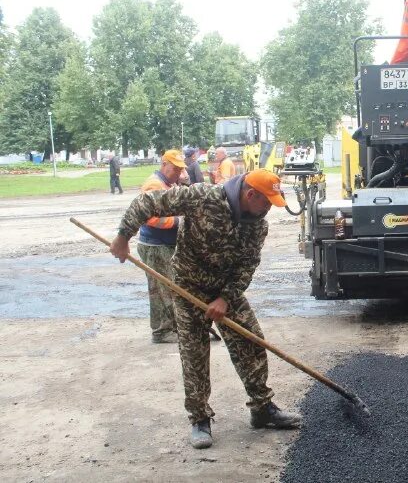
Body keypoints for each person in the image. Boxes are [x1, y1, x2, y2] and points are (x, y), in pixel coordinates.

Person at [109, 169, 301, 449]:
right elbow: (147, 203)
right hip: (190, 288)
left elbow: (247, 264)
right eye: (267, 201)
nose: (269, 208)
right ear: (250, 195)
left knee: (251, 342)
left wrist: (226, 298)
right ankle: (200, 419)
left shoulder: (258, 225)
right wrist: (123, 236)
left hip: (226, 290)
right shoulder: (203, 197)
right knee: (194, 354)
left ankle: (262, 409)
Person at [137, 150, 186, 343]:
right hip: (155, 246)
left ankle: (172, 327)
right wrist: (178, 221)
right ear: (164, 164)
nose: (178, 173)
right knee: (160, 289)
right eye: (175, 169)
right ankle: (161, 331)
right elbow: (150, 218)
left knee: (170, 287)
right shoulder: (154, 185)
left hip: (165, 244)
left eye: (180, 169)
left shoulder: (169, 184)